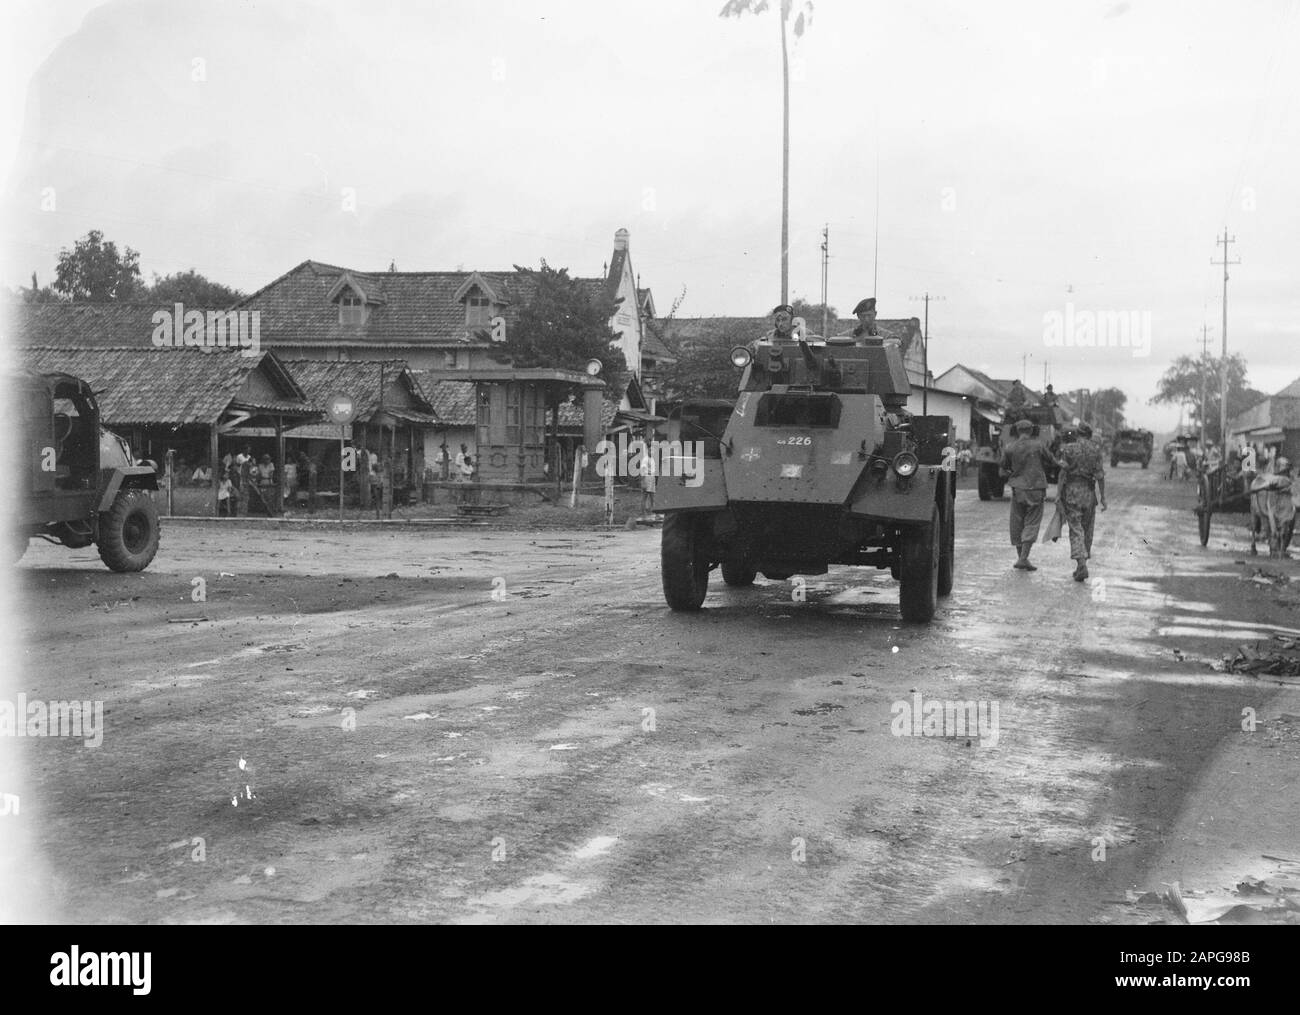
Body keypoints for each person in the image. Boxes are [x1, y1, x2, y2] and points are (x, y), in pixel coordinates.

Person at [1001, 418, 1057, 571]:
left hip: (1017, 488)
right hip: (1036, 488)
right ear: (1031, 430)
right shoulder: (1039, 445)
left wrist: (1015, 473)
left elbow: (1004, 466)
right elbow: (1051, 460)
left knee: (1017, 523)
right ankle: (1024, 558)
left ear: (1018, 431)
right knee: (1032, 522)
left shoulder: (1010, 447)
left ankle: (1021, 558)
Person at [1057, 422, 1107, 582]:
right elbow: (1100, 476)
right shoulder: (1096, 450)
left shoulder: (1069, 449)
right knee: (1087, 529)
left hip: (1072, 491)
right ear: (1090, 435)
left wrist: (1058, 494)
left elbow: (1063, 473)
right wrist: (1103, 497)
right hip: (1089, 493)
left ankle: (1081, 563)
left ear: (1077, 434)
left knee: (1076, 528)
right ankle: (1081, 564)